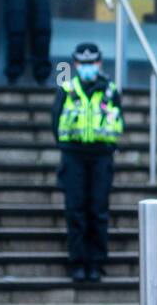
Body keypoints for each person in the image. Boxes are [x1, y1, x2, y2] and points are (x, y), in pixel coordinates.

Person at [53, 43, 123, 283]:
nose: (87, 68)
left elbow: (118, 121)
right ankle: (78, 263)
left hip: (101, 157)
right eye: (82, 64)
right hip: (73, 156)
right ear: (75, 65)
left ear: (99, 64)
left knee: (98, 210)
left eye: (91, 63)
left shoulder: (110, 90)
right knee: (76, 210)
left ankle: (96, 263)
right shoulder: (67, 89)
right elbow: (55, 121)